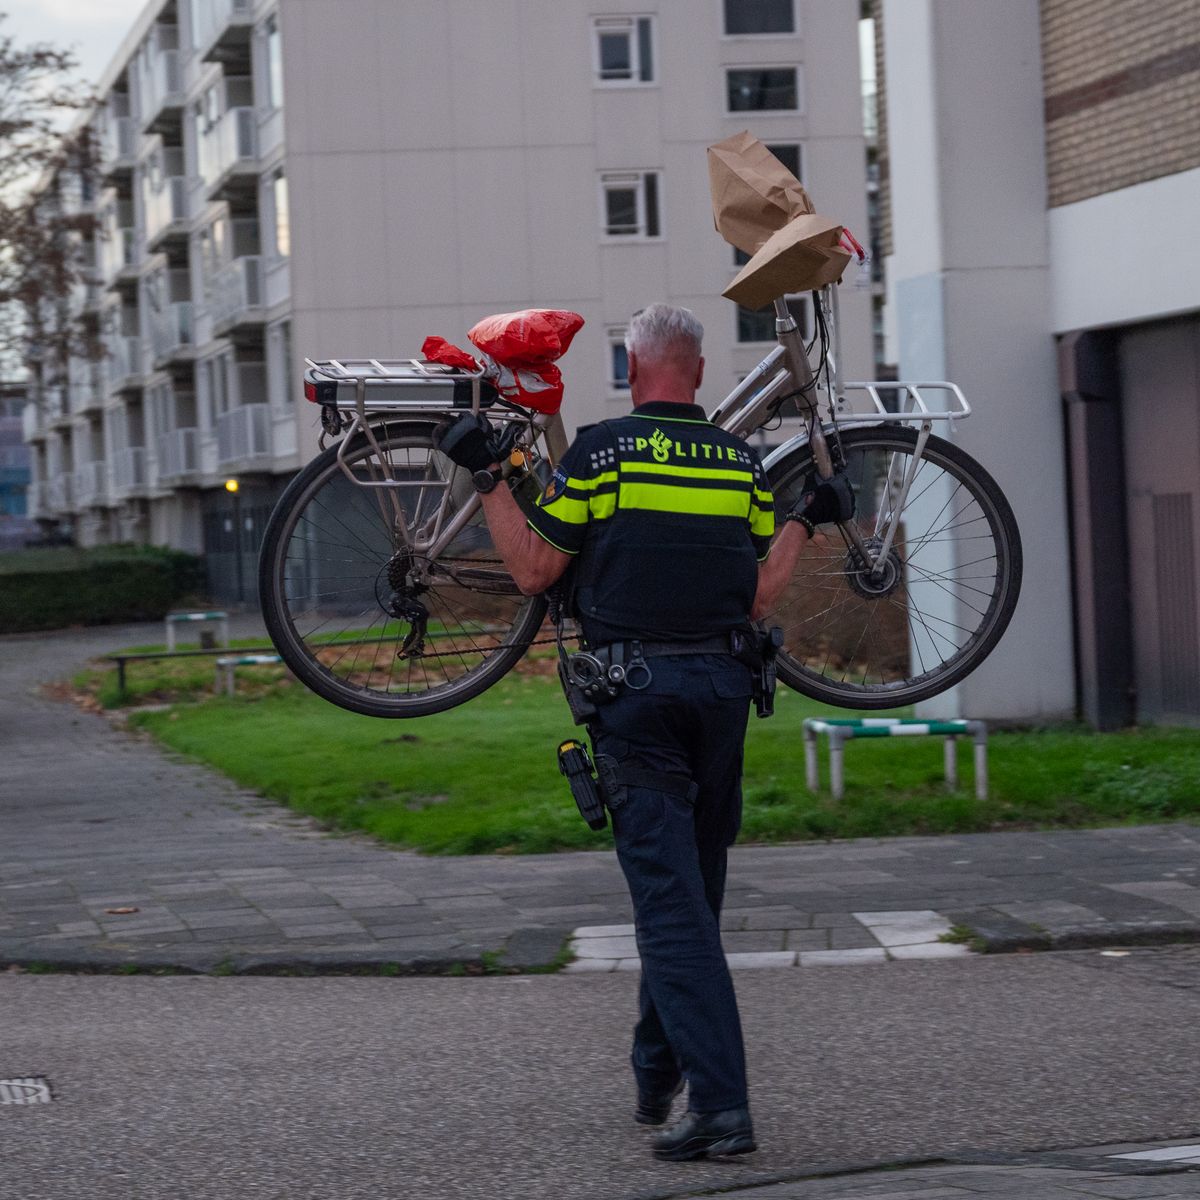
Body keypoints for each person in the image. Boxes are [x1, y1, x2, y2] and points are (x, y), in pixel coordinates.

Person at [435, 304, 852, 1161]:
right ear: (696, 373)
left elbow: (534, 570)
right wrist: (810, 516)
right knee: (693, 896)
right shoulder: (738, 464)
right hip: (723, 695)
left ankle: (725, 1109)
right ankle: (658, 1067)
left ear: (633, 367)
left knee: (668, 911)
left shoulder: (602, 453)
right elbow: (758, 597)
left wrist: (487, 479)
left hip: (638, 699)